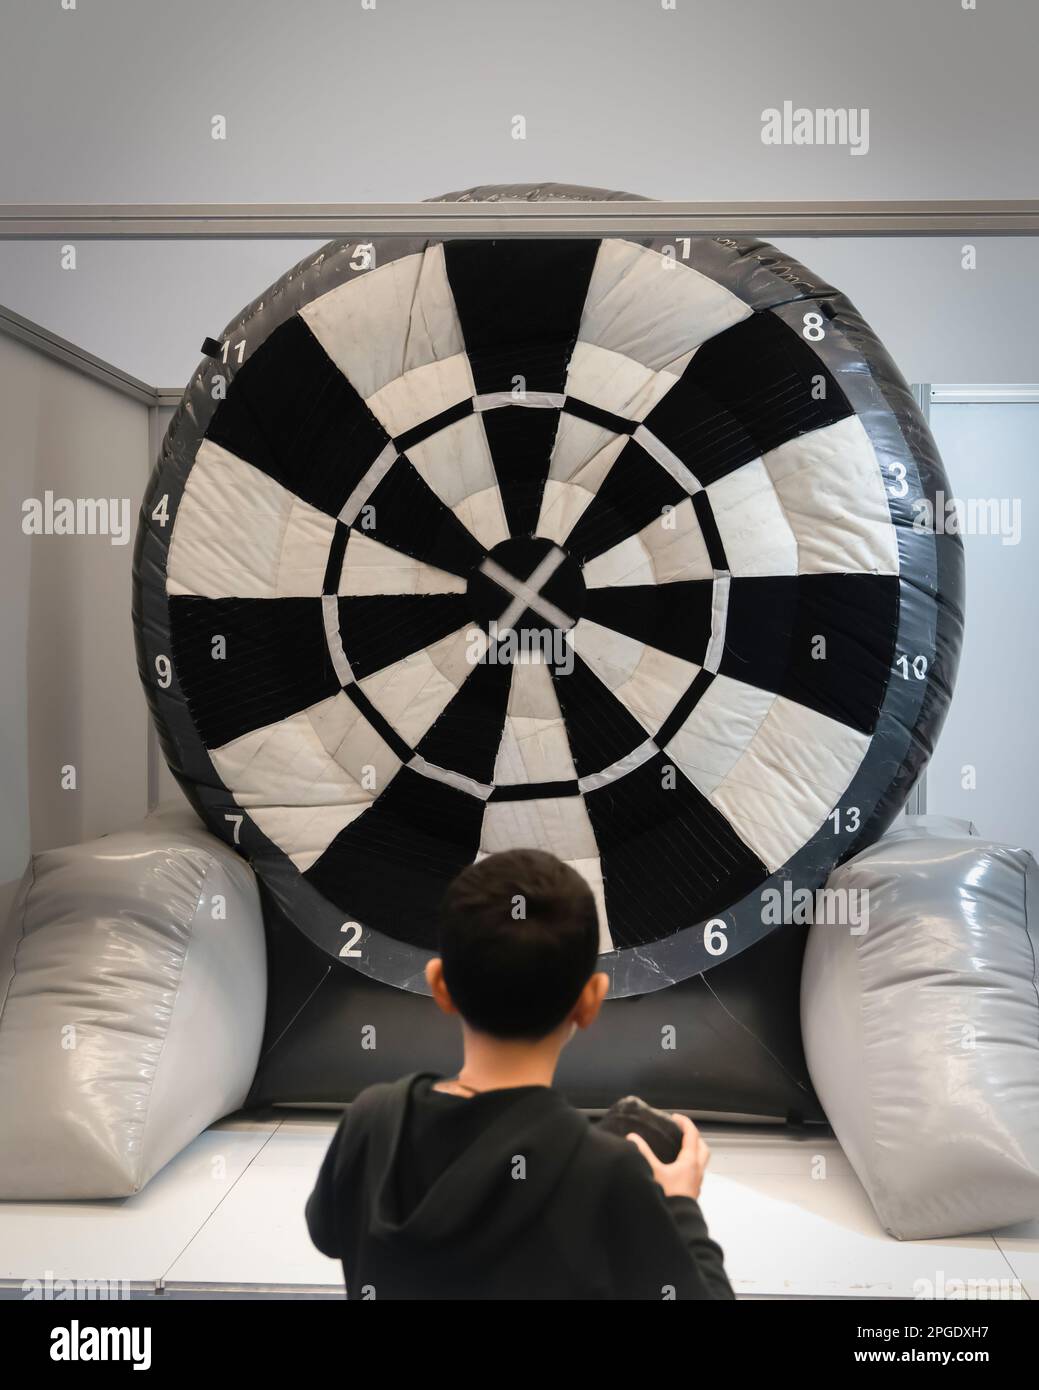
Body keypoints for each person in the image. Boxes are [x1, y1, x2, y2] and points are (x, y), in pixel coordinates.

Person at [305, 848, 735, 1300]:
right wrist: (680, 1205)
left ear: (439, 985)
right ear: (591, 1000)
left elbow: (326, 1233)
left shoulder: (371, 1119)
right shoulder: (610, 1173)